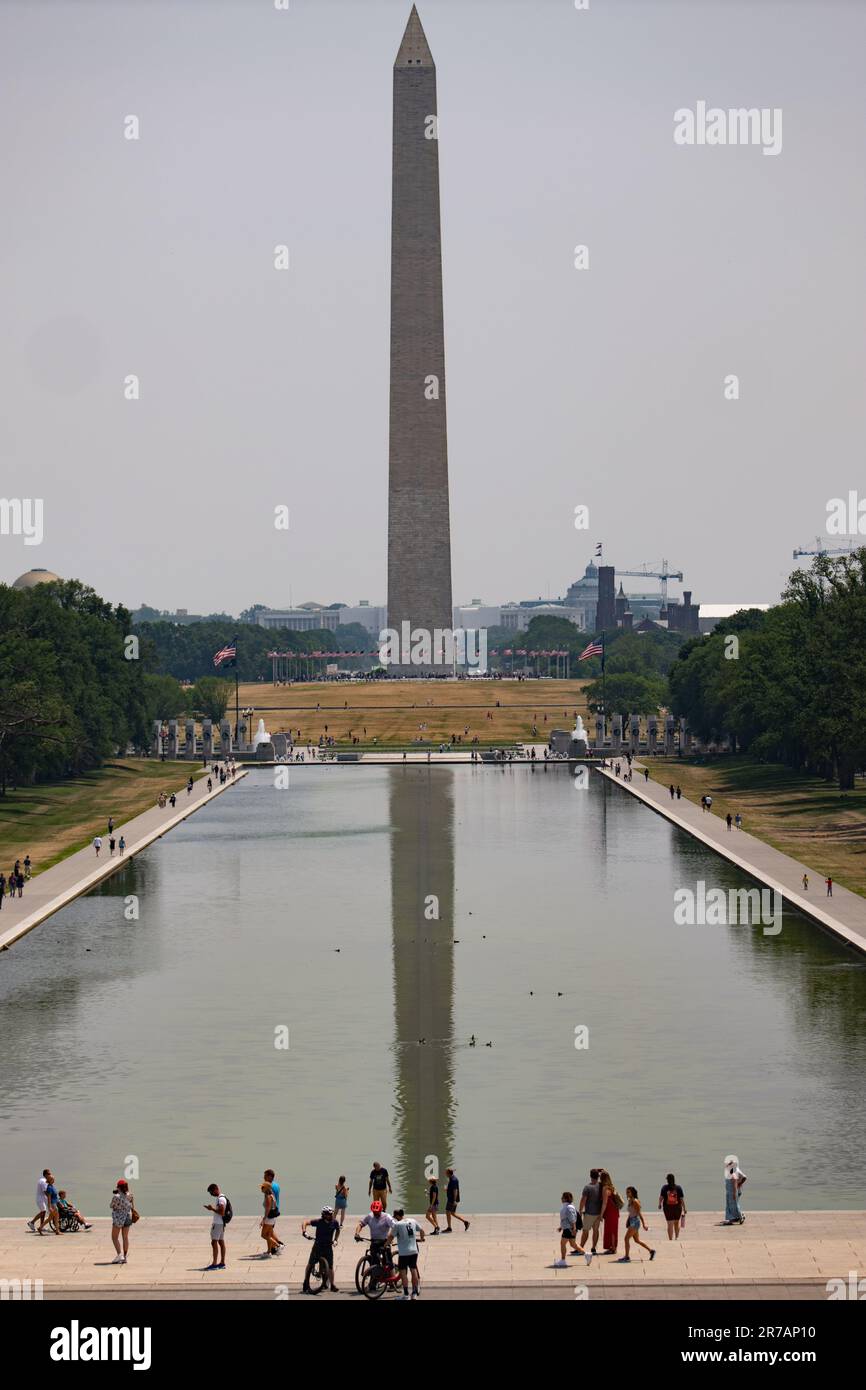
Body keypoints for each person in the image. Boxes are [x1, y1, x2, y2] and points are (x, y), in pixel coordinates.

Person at [302, 1207, 340, 1292]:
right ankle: (305, 1282)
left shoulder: (335, 1222)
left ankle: (332, 1285)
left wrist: (336, 1240)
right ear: (324, 1215)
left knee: (330, 1267)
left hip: (328, 1247)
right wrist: (304, 1232)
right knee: (310, 1264)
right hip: (318, 1246)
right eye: (329, 1214)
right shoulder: (319, 1222)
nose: (331, 1216)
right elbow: (305, 1222)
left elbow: (338, 1230)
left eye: (331, 1214)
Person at [392, 1207, 425, 1299]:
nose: (395, 1218)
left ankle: (406, 1294)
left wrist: (386, 1244)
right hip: (414, 1251)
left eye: (395, 1216)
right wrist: (422, 1239)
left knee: (403, 1272)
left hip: (404, 1252)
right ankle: (414, 1293)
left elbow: (391, 1236)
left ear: (397, 1216)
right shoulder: (412, 1220)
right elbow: (422, 1231)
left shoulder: (397, 1224)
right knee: (413, 1269)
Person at [355, 1200, 395, 1271]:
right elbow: (360, 1225)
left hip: (385, 1242)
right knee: (374, 1259)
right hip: (374, 1241)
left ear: (381, 1210)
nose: (375, 1214)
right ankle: (375, 1272)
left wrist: (390, 1237)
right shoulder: (370, 1216)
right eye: (374, 1212)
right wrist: (357, 1234)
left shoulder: (387, 1217)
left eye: (377, 1212)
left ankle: (392, 1274)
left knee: (388, 1264)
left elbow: (395, 1228)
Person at [619, 1187, 655, 1262]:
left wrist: (644, 1224)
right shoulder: (630, 1200)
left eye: (628, 1192)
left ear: (632, 1193)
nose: (627, 1193)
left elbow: (639, 1213)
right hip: (631, 1221)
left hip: (635, 1222)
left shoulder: (635, 1201)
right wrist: (627, 1220)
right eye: (626, 1192)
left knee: (626, 1238)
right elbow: (631, 1212)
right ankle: (651, 1251)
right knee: (637, 1240)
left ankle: (627, 1256)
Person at [578, 1167, 603, 1264]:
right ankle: (593, 1248)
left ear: (590, 1176)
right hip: (598, 1213)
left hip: (589, 1213)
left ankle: (580, 1247)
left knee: (585, 1231)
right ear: (598, 1176)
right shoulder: (601, 1186)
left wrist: (580, 1210)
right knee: (596, 1231)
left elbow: (583, 1200)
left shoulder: (587, 1187)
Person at [204, 1183, 228, 1269]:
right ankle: (222, 1263)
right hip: (221, 1224)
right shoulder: (222, 1197)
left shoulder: (220, 1199)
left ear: (216, 1189)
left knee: (214, 1242)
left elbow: (222, 1212)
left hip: (218, 1224)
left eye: (211, 1192)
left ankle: (214, 1264)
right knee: (221, 1242)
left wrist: (212, 1209)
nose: (211, 1194)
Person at [110, 1179, 134, 1263]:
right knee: (125, 1237)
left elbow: (111, 1206)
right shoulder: (130, 1195)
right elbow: (131, 1206)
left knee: (114, 1237)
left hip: (119, 1218)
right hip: (128, 1217)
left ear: (119, 1187)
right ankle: (125, 1256)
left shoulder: (116, 1197)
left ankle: (120, 1255)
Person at [658, 1172, 686, 1240]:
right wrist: (684, 1208)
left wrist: (659, 1204)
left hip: (667, 1208)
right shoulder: (678, 1188)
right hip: (677, 1208)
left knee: (670, 1224)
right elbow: (681, 1199)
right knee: (676, 1223)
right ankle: (676, 1238)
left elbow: (661, 1197)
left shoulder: (664, 1188)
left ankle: (670, 1239)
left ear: (667, 1180)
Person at [555, 1191, 579, 1266]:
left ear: (565, 1199)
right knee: (573, 1245)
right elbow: (565, 1219)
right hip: (568, 1228)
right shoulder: (568, 1206)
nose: (561, 1198)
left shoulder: (568, 1207)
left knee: (562, 1243)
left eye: (562, 1197)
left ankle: (563, 1260)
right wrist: (561, 1227)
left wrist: (574, 1229)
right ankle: (587, 1254)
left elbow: (572, 1219)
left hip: (569, 1229)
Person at [599, 1168, 620, 1254]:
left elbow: (604, 1203)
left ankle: (613, 1248)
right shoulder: (611, 1187)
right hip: (615, 1210)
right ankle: (613, 1247)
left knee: (610, 1230)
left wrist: (601, 1215)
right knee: (614, 1229)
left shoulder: (605, 1189)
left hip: (609, 1212)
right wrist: (602, 1171)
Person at [28, 1168, 54, 1234]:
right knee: (43, 1211)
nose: (50, 1175)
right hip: (40, 1199)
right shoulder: (43, 1181)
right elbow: (45, 1192)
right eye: (49, 1174)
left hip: (42, 1199)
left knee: (43, 1212)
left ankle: (41, 1226)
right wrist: (52, 1197)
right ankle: (32, 1222)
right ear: (45, 1174)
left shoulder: (44, 1180)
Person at [263, 1168, 284, 1248]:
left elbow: (269, 1202)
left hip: (270, 1212)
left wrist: (265, 1216)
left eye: (265, 1176)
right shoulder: (276, 1185)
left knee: (267, 1233)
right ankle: (272, 1249)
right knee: (270, 1231)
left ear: (270, 1176)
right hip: (275, 1210)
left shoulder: (269, 1187)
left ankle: (278, 1245)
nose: (264, 1177)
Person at [444, 1168, 469, 1232]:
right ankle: (465, 1222)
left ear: (449, 1173)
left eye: (446, 1173)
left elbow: (455, 1190)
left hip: (452, 1199)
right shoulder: (452, 1178)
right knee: (452, 1213)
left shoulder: (453, 1180)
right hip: (452, 1199)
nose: (445, 1174)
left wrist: (454, 1200)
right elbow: (453, 1189)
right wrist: (447, 1189)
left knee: (447, 1212)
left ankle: (449, 1228)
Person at [723, 1155, 747, 1225]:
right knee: (730, 1206)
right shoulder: (730, 1173)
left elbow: (735, 1184)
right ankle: (732, 1218)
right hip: (730, 1192)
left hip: (733, 1192)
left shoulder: (733, 1174)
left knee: (734, 1206)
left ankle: (740, 1216)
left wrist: (735, 1192)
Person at [260, 1182, 280, 1256]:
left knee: (263, 1235)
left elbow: (268, 1209)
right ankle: (269, 1252)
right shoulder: (271, 1195)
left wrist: (263, 1219)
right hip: (272, 1218)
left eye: (263, 1187)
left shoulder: (268, 1196)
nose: (261, 1189)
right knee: (269, 1235)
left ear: (266, 1188)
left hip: (269, 1218)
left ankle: (278, 1245)